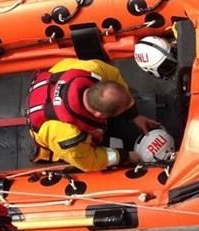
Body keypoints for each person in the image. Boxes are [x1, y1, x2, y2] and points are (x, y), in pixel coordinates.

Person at [26, 58, 161, 172]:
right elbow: (90, 162)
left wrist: (134, 115)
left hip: (50, 86)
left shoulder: (94, 69)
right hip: (51, 129)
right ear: (100, 115)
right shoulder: (68, 136)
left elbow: (115, 79)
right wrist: (125, 156)